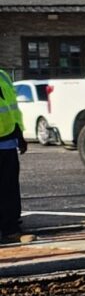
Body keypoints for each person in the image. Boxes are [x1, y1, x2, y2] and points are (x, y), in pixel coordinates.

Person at [0, 67, 21, 243]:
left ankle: (10, 228)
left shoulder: (3, 75)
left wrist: (19, 134)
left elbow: (13, 108)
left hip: (7, 141)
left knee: (9, 188)